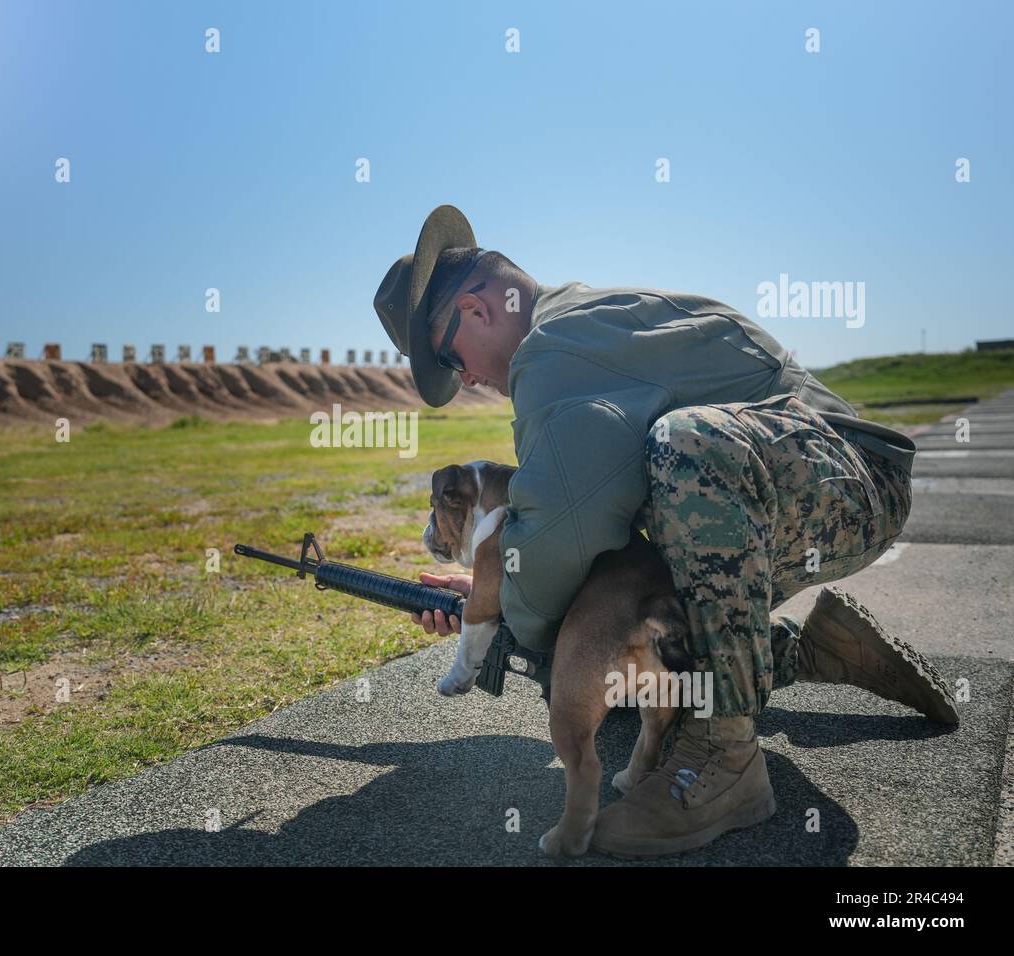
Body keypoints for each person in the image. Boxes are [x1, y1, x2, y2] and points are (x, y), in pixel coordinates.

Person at [373, 204, 958, 857]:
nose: (468, 380)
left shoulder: (553, 349)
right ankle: (818, 649)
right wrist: (489, 586)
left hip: (849, 485)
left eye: (452, 361)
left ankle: (728, 757)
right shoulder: (579, 322)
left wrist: (497, 610)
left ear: (478, 311)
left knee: (683, 450)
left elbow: (563, 527)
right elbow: (579, 526)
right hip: (821, 484)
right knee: (633, 673)